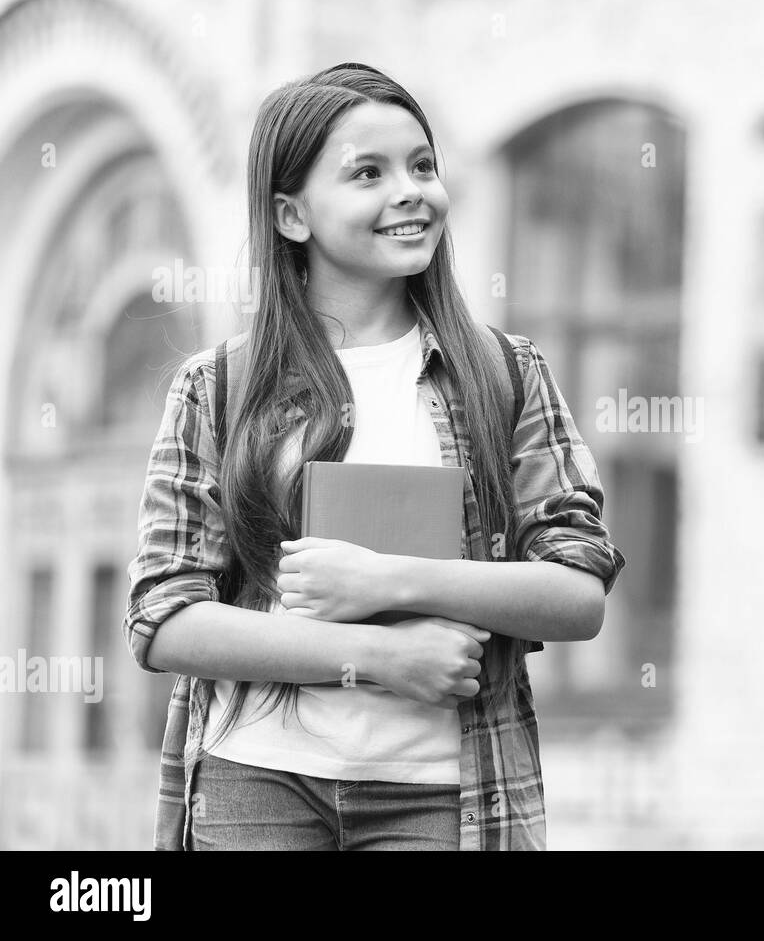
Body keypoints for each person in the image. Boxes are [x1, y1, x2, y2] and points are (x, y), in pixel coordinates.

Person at [123, 62, 626, 850]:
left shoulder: (505, 373)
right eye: (369, 172)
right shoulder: (216, 387)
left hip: (443, 791)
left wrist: (392, 579)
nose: (412, 190)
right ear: (293, 215)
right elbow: (164, 616)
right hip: (255, 782)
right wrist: (377, 654)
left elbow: (579, 593)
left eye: (423, 166)